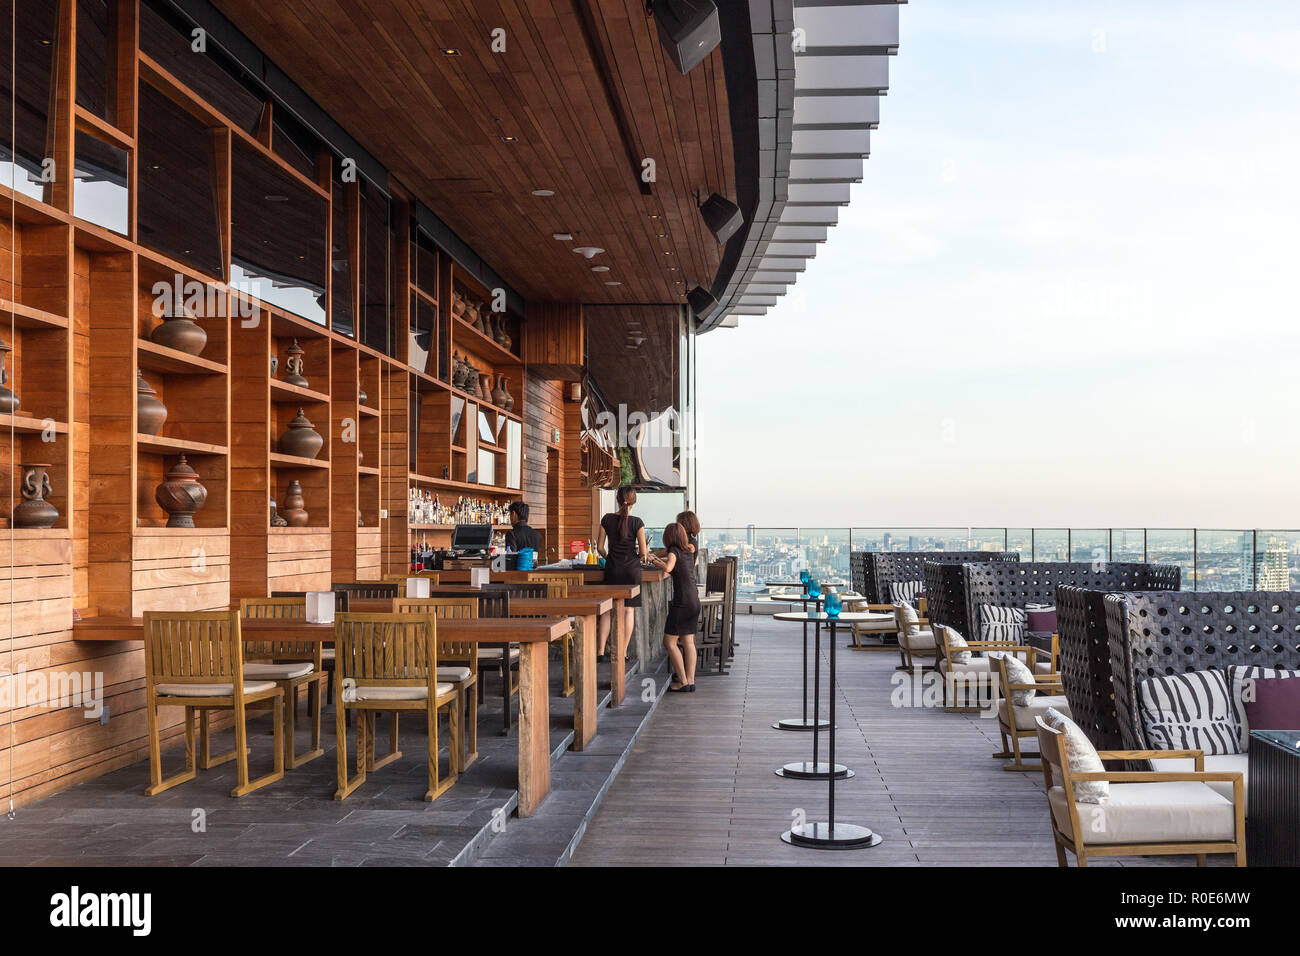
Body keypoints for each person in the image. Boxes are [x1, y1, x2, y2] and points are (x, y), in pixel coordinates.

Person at [595, 486, 647, 661]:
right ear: (634, 501)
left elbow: (600, 547)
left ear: (617, 499)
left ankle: (600, 652)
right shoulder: (637, 522)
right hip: (632, 570)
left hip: (613, 569)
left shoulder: (607, 519)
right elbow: (643, 553)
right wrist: (637, 556)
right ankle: (622, 653)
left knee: (607, 610)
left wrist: (609, 557)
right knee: (628, 611)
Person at [650, 522, 699, 691]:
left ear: (669, 537)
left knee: (669, 642)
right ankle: (690, 681)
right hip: (694, 601)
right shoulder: (688, 550)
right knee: (688, 641)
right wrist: (654, 555)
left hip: (682, 602)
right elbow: (673, 561)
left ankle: (683, 682)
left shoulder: (674, 551)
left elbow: (669, 566)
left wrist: (653, 559)